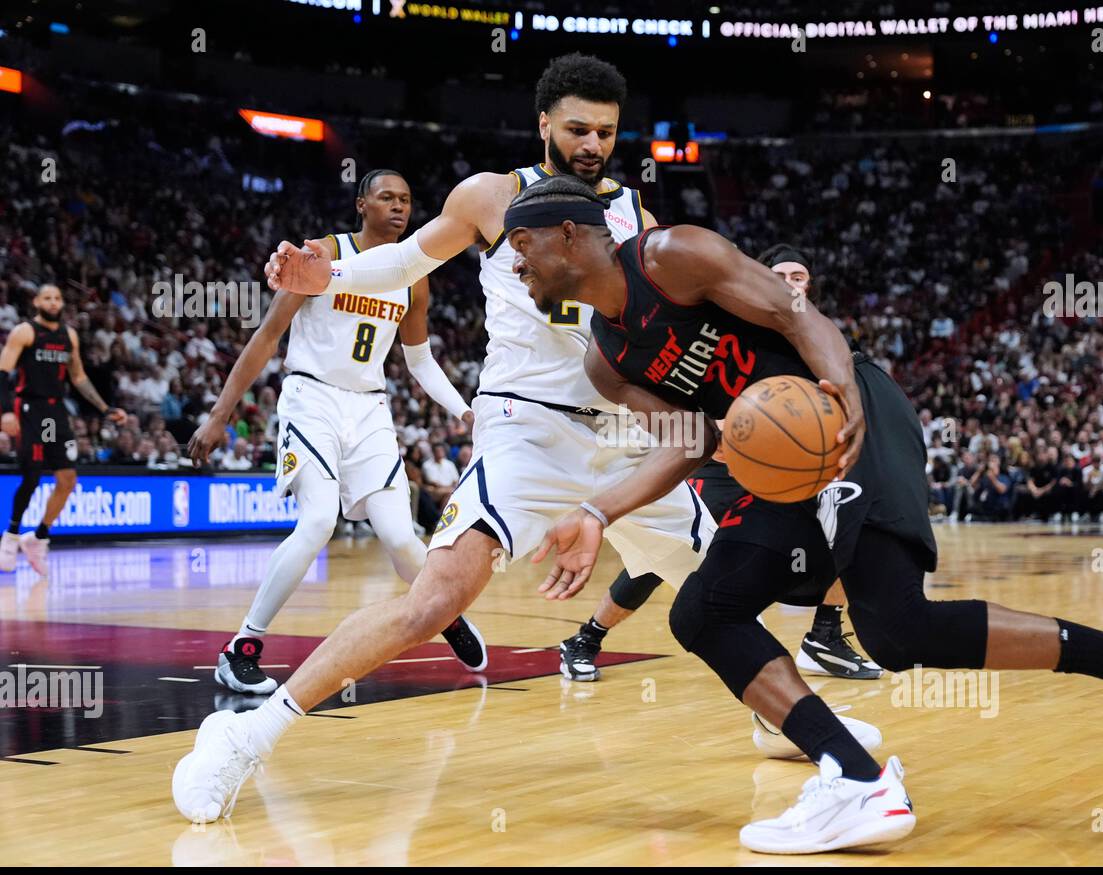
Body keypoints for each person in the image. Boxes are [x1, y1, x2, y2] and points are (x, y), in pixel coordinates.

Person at [503, 176, 1103, 854]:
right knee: (703, 612)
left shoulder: (669, 256)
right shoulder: (606, 360)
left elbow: (797, 313)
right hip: (776, 460)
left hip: (847, 414)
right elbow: (692, 445)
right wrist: (597, 511)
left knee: (894, 627)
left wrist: (843, 390)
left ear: (569, 232)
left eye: (521, 247)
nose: (514, 266)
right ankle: (855, 777)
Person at [173, 54, 722, 824]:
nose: (593, 143)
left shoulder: (640, 218)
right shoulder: (490, 196)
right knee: (432, 600)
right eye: (577, 129)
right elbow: (401, 261)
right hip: (524, 430)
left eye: (605, 131)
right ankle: (243, 736)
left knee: (736, 583)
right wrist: (321, 278)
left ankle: (800, 728)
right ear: (543, 124)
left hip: (623, 439)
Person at [186, 169, 484, 694]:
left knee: (399, 536)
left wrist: (464, 411)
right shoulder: (321, 254)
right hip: (312, 397)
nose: (399, 207)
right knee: (319, 520)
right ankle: (241, 649)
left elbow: (420, 361)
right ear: (361, 204)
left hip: (370, 409)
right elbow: (268, 335)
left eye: (407, 200)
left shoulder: (414, 273)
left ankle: (442, 612)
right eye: (386, 197)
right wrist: (219, 413)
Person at [558, 242, 882, 682]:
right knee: (673, 553)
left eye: (799, 277)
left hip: (785, 461)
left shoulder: (813, 337)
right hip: (717, 457)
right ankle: (588, 636)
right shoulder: (732, 312)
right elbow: (685, 412)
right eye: (780, 275)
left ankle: (824, 634)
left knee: (853, 526)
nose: (789, 282)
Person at [0, 284, 126, 574]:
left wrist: (105, 408)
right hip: (30, 408)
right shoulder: (25, 332)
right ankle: (11, 535)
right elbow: (2, 374)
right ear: (36, 301)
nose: (53, 303)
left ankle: (39, 537)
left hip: (54, 412)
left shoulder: (69, 336)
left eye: (57, 298)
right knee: (31, 474)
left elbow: (79, 377)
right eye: (48, 298)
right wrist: (6, 412)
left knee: (67, 479)